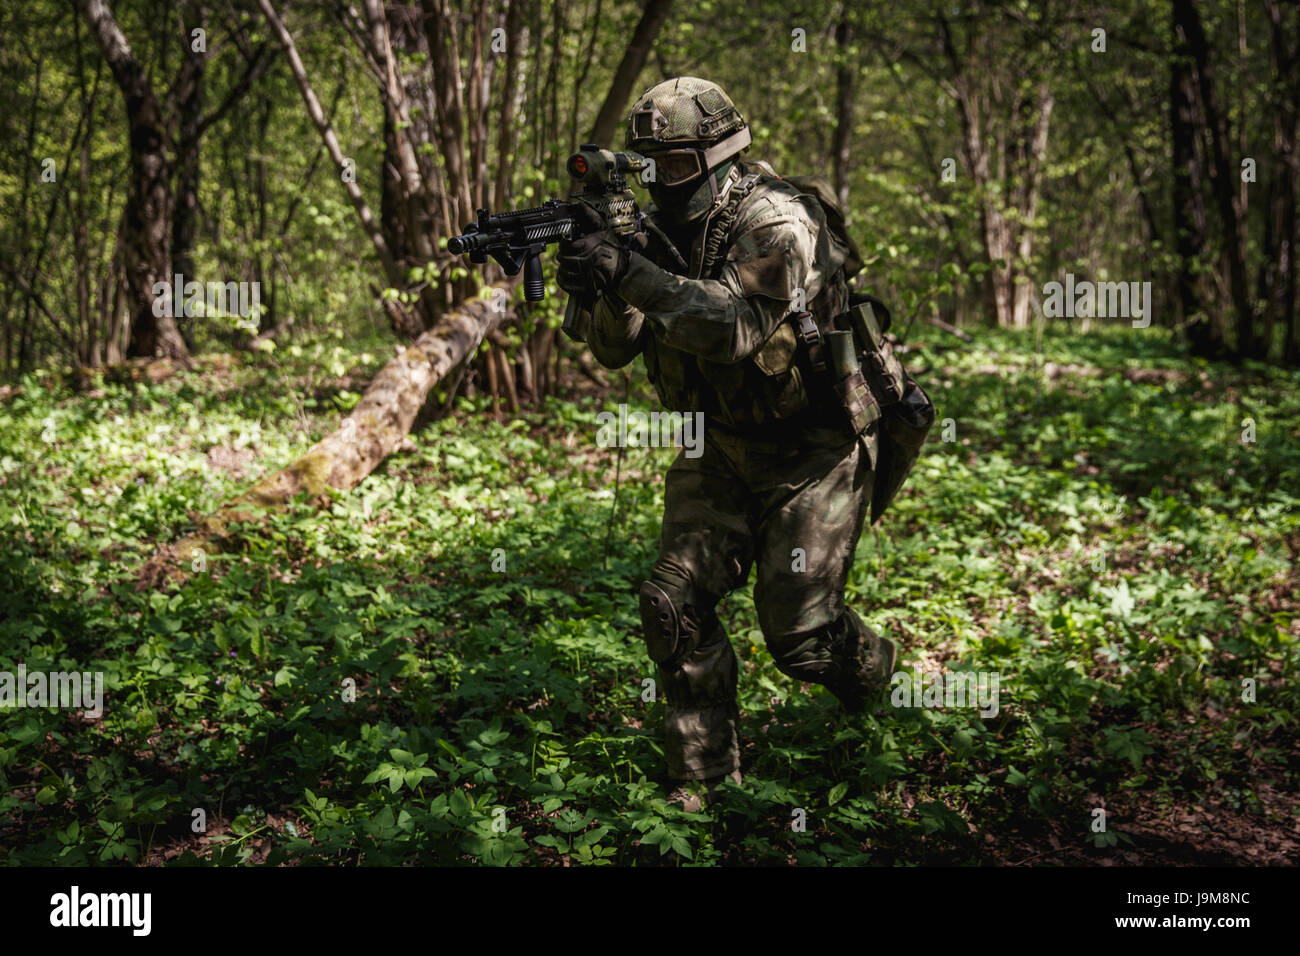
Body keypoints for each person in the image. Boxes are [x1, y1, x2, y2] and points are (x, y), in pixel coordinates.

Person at [557, 77, 898, 810]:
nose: (662, 184)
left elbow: (737, 329)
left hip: (812, 451)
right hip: (715, 444)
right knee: (671, 604)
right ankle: (705, 788)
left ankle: (875, 673)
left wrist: (628, 269)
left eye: (677, 167)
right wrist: (604, 282)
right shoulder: (642, 231)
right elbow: (615, 350)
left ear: (721, 154)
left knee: (802, 641)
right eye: (649, 166)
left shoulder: (776, 221)